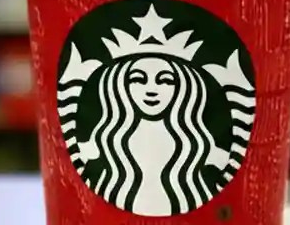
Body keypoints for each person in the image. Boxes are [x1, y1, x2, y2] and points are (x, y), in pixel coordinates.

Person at [75, 54, 241, 216]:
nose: (151, 90)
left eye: (165, 81)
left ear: (182, 87)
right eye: (138, 79)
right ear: (122, 86)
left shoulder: (203, 147)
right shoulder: (101, 142)